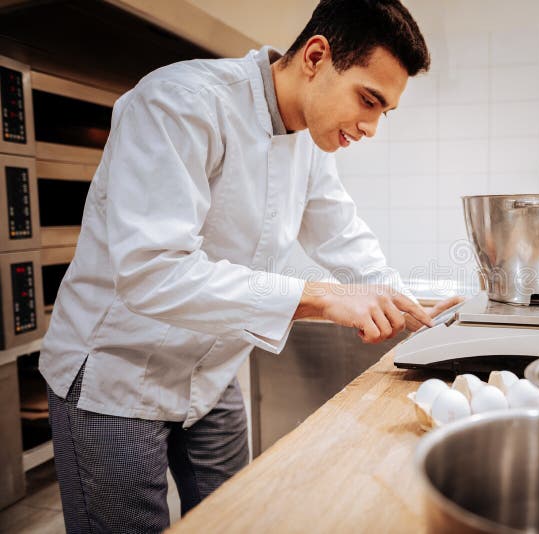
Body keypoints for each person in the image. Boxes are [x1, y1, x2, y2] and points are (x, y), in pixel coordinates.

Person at [40, 1, 458, 531]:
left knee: (236, 519)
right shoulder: (180, 103)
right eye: (368, 100)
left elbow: (343, 234)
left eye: (384, 112)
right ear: (315, 56)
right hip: (117, 376)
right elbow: (152, 273)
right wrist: (320, 296)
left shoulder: (309, 141)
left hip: (208, 374)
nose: (372, 126)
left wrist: (409, 304)